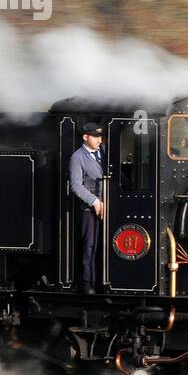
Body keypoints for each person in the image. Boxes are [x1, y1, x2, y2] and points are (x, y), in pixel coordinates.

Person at [69, 121, 105, 294]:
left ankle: (101, 281)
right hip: (89, 209)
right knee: (89, 246)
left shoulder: (103, 153)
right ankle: (86, 283)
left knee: (102, 246)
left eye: (100, 136)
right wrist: (95, 202)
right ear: (86, 137)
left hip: (107, 207)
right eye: (96, 136)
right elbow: (76, 185)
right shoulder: (77, 157)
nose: (100, 140)